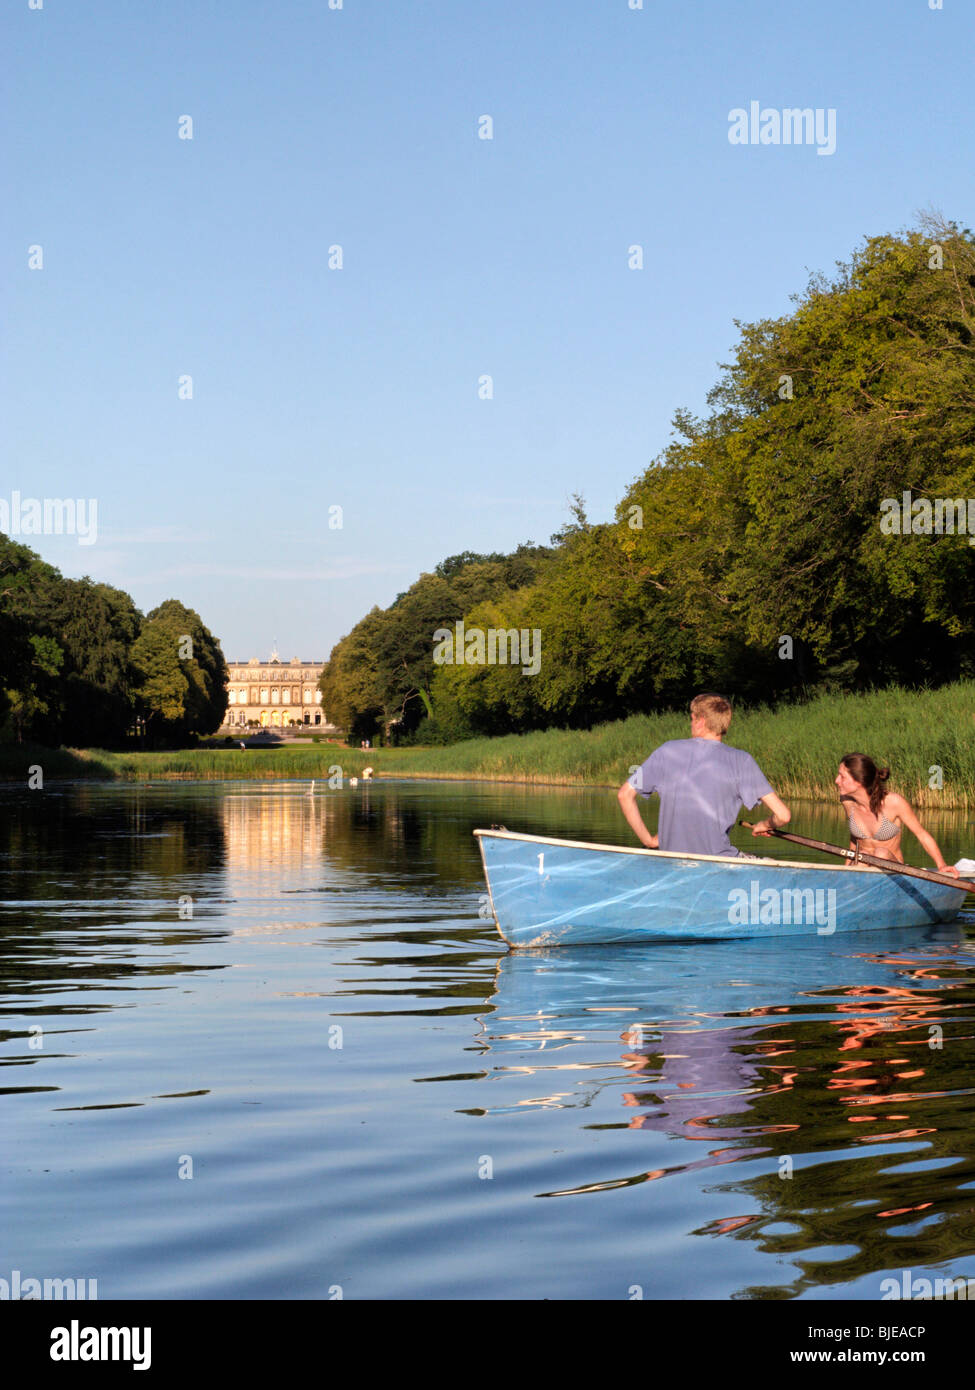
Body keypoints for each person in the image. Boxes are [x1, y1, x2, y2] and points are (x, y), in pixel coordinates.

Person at [617, 693, 791, 856]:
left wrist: (648, 840)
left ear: (699, 721)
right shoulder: (742, 761)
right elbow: (783, 816)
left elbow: (625, 795)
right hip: (718, 861)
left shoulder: (666, 751)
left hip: (671, 860)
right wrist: (764, 825)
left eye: (692, 719)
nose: (691, 724)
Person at [835, 752, 958, 874]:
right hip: (861, 864)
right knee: (863, 856)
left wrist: (942, 866)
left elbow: (922, 834)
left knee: (880, 853)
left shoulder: (894, 802)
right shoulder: (847, 802)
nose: (836, 780)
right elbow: (854, 841)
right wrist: (846, 871)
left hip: (893, 869)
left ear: (859, 781)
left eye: (842, 776)